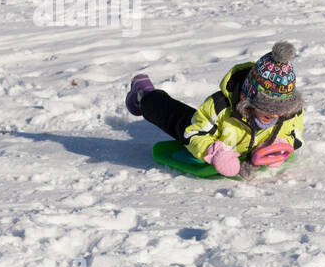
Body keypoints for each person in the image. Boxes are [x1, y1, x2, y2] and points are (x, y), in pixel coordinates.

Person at [126, 41, 304, 178]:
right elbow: (194, 134)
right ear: (246, 98)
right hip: (214, 137)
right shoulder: (220, 107)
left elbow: (295, 135)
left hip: (243, 148)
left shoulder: (289, 113)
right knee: (176, 119)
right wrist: (215, 152)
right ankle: (144, 95)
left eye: (280, 108)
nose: (274, 114)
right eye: (265, 108)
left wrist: (281, 144)